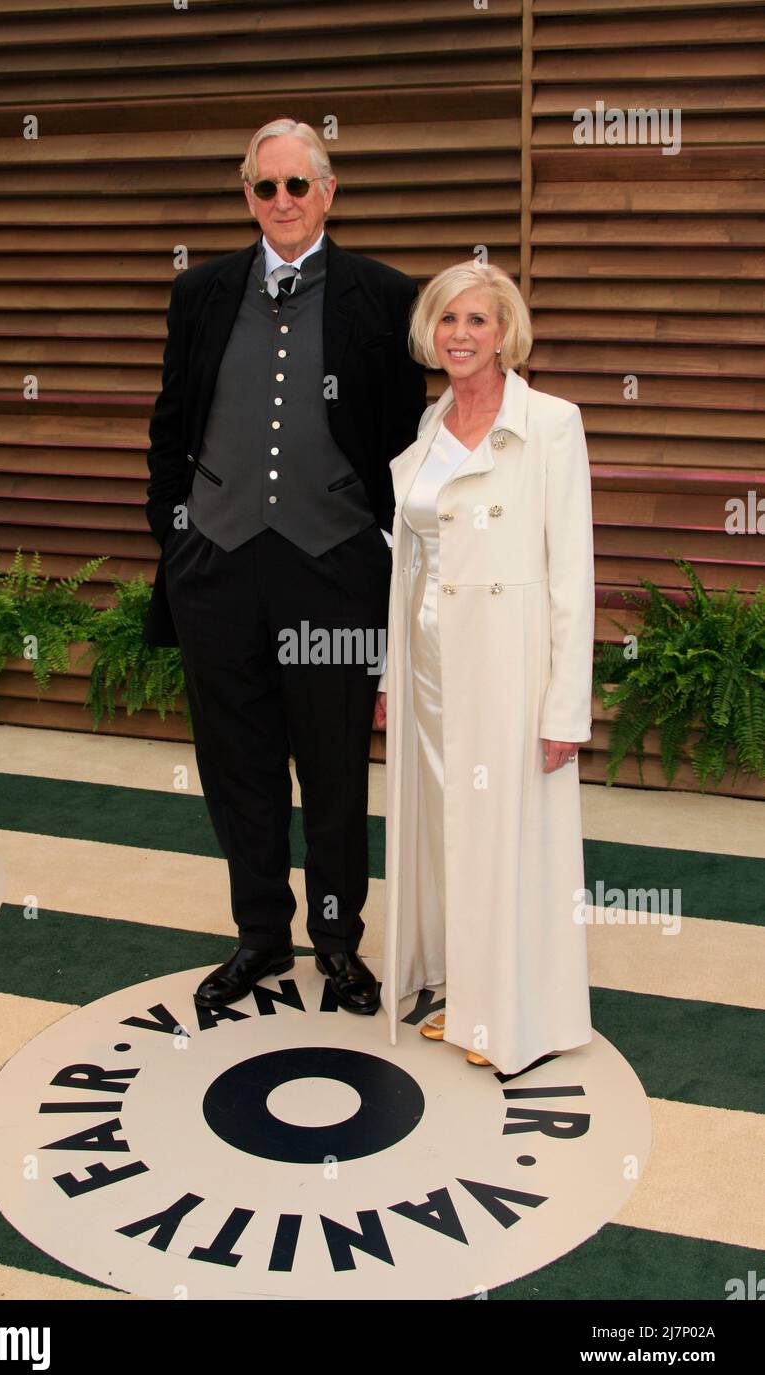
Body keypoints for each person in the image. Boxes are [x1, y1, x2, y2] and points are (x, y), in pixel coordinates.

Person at [142, 117, 426, 1013]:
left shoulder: (383, 297)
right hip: (217, 571)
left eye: (297, 185)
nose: (282, 202)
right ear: (248, 196)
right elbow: (170, 425)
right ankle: (260, 937)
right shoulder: (202, 292)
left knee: (335, 769)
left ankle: (337, 942)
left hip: (331, 572)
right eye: (265, 188)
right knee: (238, 767)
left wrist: (378, 550)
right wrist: (178, 540)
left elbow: (403, 442)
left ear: (329, 192)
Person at [376, 261, 594, 1074]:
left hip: (508, 664)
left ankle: (510, 1016)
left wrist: (565, 707)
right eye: (446, 320)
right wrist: (394, 678)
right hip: (431, 660)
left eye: (477, 320)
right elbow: (411, 565)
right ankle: (457, 985)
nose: (460, 335)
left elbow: (574, 571)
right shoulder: (428, 428)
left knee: (504, 837)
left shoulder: (552, 424)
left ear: (505, 333)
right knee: (445, 828)